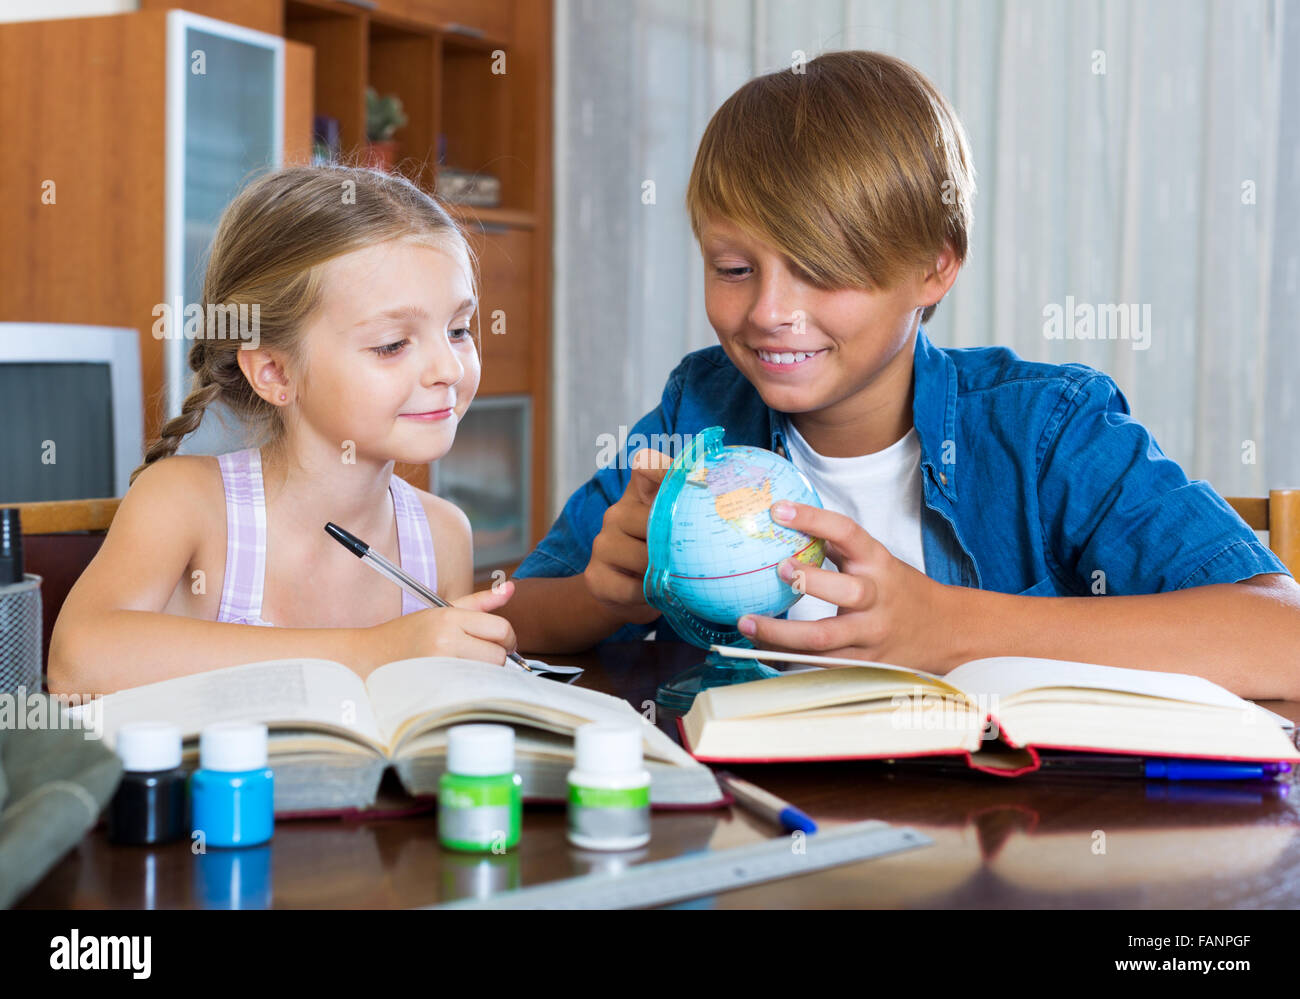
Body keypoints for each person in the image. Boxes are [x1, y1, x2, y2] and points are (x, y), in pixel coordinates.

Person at [502, 50, 1300, 700]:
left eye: (821, 270)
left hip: (1001, 846)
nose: (770, 311)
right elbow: (516, 616)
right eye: (734, 266)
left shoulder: (1046, 429)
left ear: (935, 269)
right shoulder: (701, 405)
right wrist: (602, 595)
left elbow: (1281, 635)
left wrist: (946, 625)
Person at [48, 165, 517, 695]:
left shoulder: (443, 535)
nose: (449, 370)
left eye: (458, 330)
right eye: (391, 344)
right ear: (275, 372)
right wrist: (373, 652)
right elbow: (77, 661)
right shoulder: (186, 503)